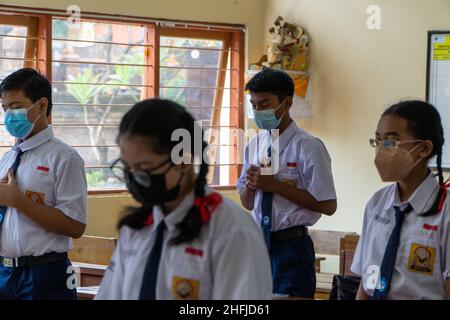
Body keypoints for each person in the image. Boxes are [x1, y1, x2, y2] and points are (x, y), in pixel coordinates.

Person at [95, 98, 272, 300]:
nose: (135, 179)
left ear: (184, 160)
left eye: (144, 169)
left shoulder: (231, 230)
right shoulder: (136, 229)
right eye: (127, 168)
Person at [238, 68, 337, 298]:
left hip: (292, 246)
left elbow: (328, 205)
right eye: (253, 105)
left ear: (287, 103)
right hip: (259, 244)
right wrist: (250, 187)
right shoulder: (254, 145)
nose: (257, 111)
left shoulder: (308, 146)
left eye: (264, 104)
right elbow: (247, 203)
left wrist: (275, 185)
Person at [0, 68, 87, 300]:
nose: (9, 115)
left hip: (45, 272)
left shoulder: (65, 158)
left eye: (16, 107)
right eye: (5, 108)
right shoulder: (7, 158)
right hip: (5, 272)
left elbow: (76, 226)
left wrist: (18, 201)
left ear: (40, 105)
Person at [352, 100, 450, 300]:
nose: (381, 150)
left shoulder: (446, 212)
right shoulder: (377, 203)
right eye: (377, 141)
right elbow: (367, 282)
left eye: (390, 142)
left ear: (423, 149)